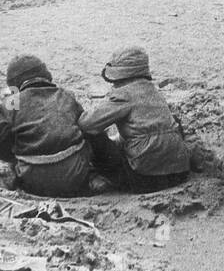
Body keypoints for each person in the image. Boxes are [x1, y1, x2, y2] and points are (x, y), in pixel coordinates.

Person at [0, 55, 99, 197]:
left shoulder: (12, 103)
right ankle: (113, 176)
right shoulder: (66, 96)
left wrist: (13, 155)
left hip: (33, 183)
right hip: (74, 179)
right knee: (92, 132)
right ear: (46, 76)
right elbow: (88, 131)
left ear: (13, 85)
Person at [79, 47, 191, 193]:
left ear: (119, 76)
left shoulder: (123, 95)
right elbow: (142, 128)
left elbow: (87, 124)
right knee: (172, 122)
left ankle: (94, 176)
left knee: (92, 134)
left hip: (143, 179)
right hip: (179, 175)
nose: (113, 85)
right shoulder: (154, 91)